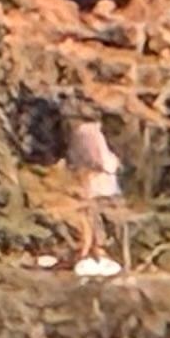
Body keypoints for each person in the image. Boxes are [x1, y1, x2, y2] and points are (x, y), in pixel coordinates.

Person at [64, 112, 124, 276]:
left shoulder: (87, 132)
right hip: (98, 187)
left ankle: (98, 253)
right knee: (94, 220)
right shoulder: (88, 132)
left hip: (99, 187)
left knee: (97, 220)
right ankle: (94, 253)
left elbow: (97, 161)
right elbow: (97, 161)